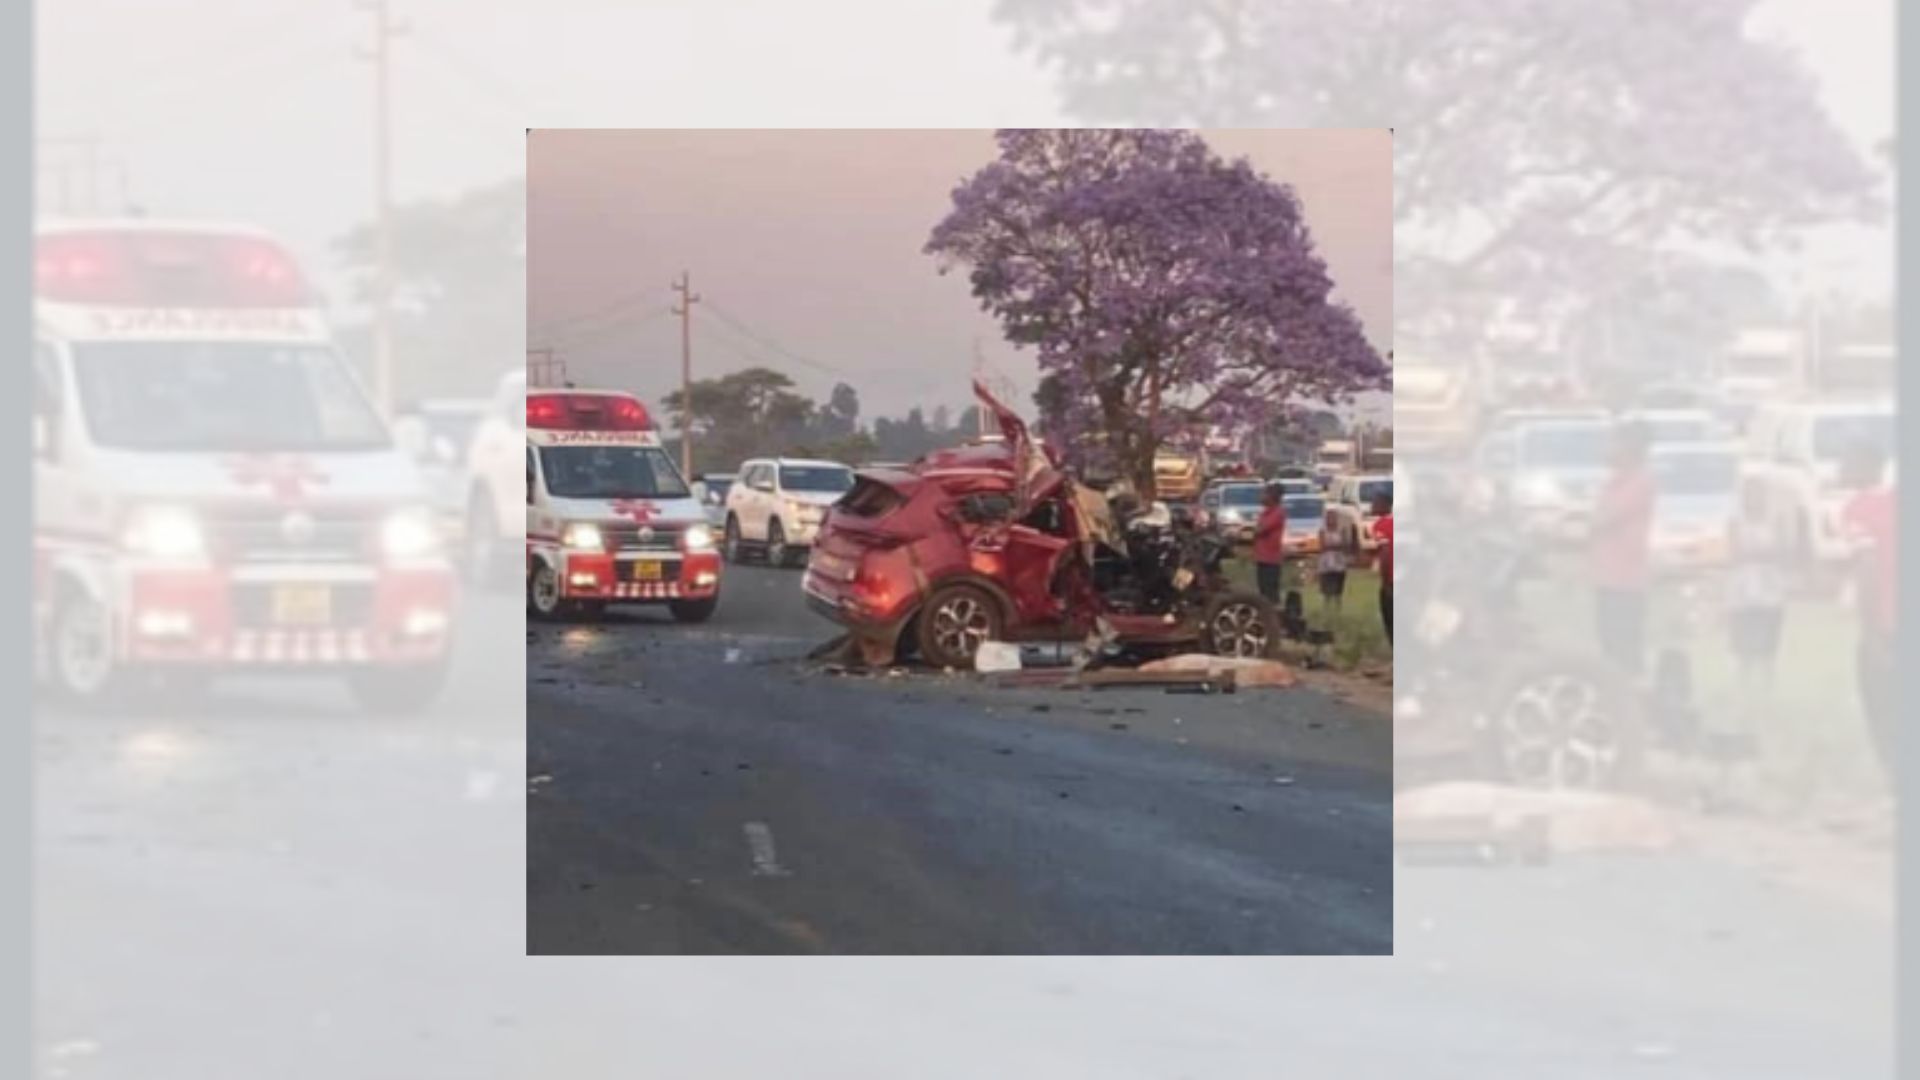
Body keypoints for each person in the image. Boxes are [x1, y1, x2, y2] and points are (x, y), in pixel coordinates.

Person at [1840, 441, 1896, 791]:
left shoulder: (1858, 509)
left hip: (1888, 623)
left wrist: (1871, 634)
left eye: (1846, 462)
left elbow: (1868, 570)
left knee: (1883, 708)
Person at [1589, 422, 1655, 675]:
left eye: (1614, 442)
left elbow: (1605, 519)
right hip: (1606, 575)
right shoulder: (1612, 483)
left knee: (1625, 645)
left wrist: (1590, 523)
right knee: (1608, 642)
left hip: (1627, 578)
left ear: (1629, 448)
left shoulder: (1640, 482)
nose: (1608, 449)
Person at [1724, 477, 1788, 687]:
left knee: (1769, 633)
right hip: (1743, 588)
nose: (1754, 499)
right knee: (1743, 635)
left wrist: (1756, 553)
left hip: (1770, 587)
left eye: (1758, 493)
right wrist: (1761, 553)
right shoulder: (1735, 522)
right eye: (1749, 494)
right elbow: (1735, 553)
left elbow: (1781, 551)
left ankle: (1768, 678)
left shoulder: (1775, 521)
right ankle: (1743, 678)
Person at [1250, 483, 1287, 604]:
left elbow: (1260, 530)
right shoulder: (1264, 513)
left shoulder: (1278, 512)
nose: (1261, 497)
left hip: (1271, 558)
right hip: (1261, 557)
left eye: (1264, 494)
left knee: (1270, 591)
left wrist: (1254, 531)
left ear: (1271, 496)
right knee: (1262, 590)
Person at [1317, 508, 1357, 617]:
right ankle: (1326, 609)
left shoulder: (1341, 531)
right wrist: (1335, 546)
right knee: (1326, 588)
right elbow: (1322, 546)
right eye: (1329, 518)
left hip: (1339, 562)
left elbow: (1345, 545)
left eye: (1333, 518)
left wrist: (1335, 546)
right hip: (1326, 563)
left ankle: (1337, 609)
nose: (1331, 520)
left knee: (1338, 587)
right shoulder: (1322, 531)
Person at [1369, 492, 1394, 644]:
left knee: (1391, 621)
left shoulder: (1380, 525)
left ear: (1384, 505)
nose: (1371, 506)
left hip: (1391, 579)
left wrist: (1385, 582)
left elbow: (1385, 552)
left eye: (1375, 503)